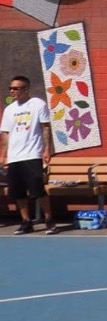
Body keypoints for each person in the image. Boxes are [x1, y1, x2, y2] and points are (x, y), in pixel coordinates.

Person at [1, 75, 59, 234]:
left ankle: (49, 220)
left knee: (37, 189)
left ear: (26, 89)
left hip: (32, 154)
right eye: (10, 88)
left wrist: (47, 149)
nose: (12, 91)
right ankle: (26, 222)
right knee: (17, 192)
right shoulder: (9, 110)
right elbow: (5, 134)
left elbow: (46, 127)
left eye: (16, 88)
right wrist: (3, 155)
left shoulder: (37, 105)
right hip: (14, 156)